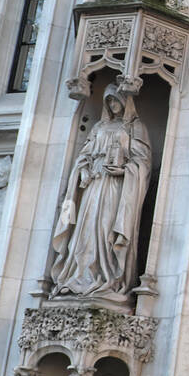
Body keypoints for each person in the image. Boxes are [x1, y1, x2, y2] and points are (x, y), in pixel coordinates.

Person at [50, 82, 151, 299]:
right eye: (110, 101)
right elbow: (83, 156)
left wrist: (125, 171)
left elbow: (143, 162)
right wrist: (83, 171)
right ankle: (79, 274)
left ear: (126, 101)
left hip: (115, 189)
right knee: (85, 232)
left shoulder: (135, 127)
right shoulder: (98, 128)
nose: (113, 105)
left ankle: (106, 276)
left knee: (106, 229)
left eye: (116, 100)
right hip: (93, 185)